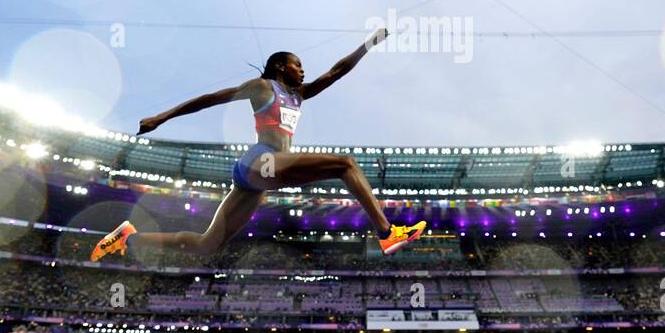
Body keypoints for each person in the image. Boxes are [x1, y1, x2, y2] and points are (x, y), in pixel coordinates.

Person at [90, 29, 425, 262]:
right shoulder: (263, 87)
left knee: (208, 245)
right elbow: (209, 99)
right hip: (261, 162)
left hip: (259, 178)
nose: (303, 70)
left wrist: (368, 45)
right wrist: (161, 117)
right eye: (298, 64)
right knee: (345, 164)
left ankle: (129, 237)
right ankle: (387, 233)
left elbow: (336, 72)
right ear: (281, 66)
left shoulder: (300, 95)